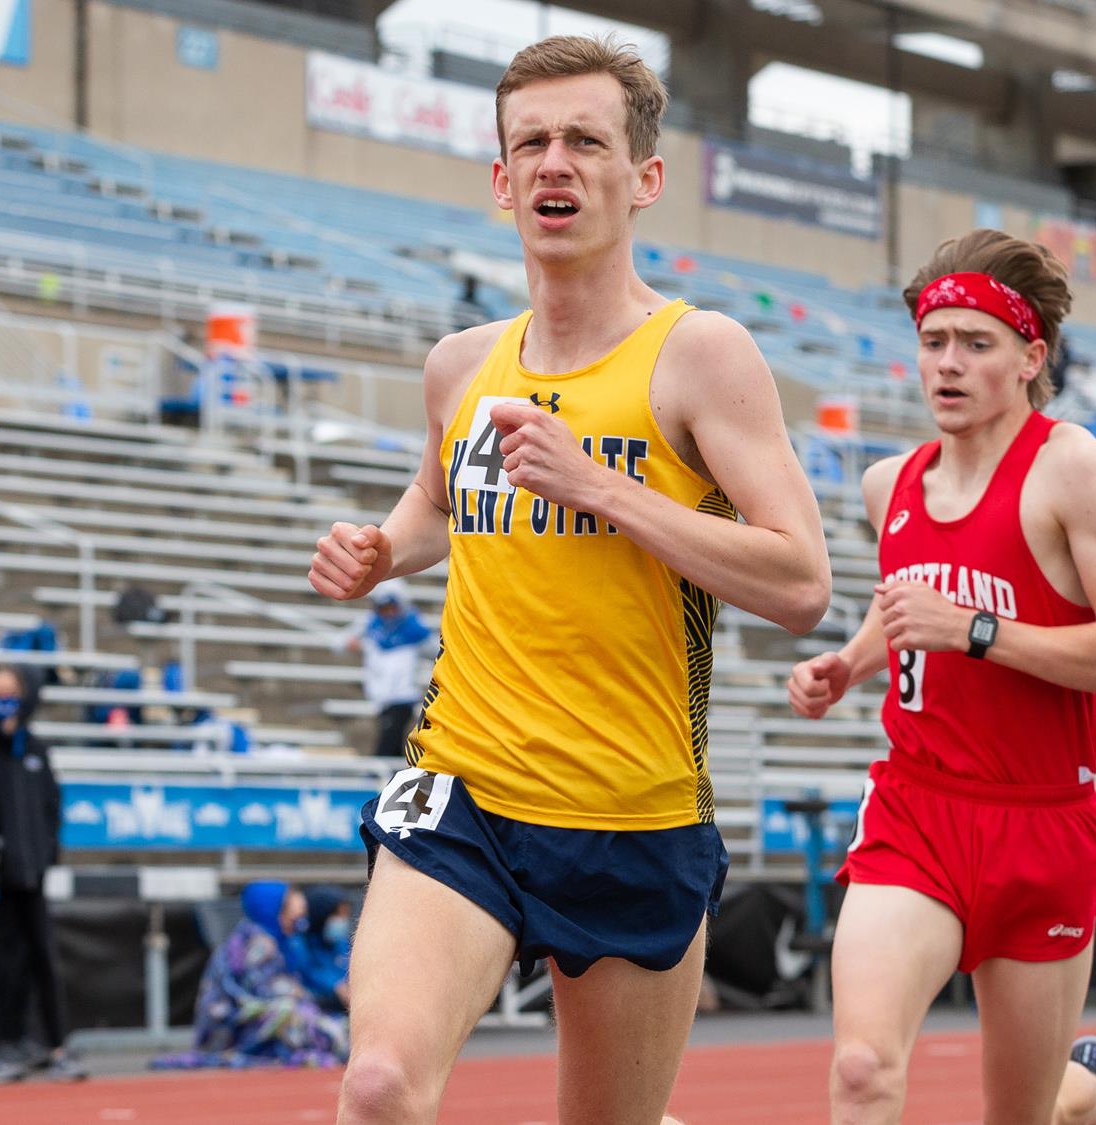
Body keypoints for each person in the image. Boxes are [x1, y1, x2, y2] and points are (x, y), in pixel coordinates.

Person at [306, 36, 830, 1124]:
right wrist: (377, 551)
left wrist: (610, 491)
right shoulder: (461, 365)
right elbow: (433, 509)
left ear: (642, 178)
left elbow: (799, 583)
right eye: (531, 143)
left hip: (630, 812)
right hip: (462, 791)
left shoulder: (699, 357)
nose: (555, 163)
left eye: (584, 141)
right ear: (500, 181)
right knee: (377, 1087)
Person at [786, 229, 1096, 1124]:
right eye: (933, 342)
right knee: (865, 1067)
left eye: (976, 345)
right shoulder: (890, 483)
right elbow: (910, 601)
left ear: (1032, 357)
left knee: (1021, 1113)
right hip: (919, 810)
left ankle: (1089, 1087)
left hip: (1043, 824)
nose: (946, 365)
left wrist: (980, 631)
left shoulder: (1078, 471)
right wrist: (851, 660)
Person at [0, 666, 86, 1080]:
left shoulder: (35, 749)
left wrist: (46, 855)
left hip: (33, 874)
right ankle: (3, 1043)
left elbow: (50, 807)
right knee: (1, 964)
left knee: (44, 959)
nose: (5, 700)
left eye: (12, 692)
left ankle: (55, 1043)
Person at [152, 882, 348, 1071]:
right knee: (300, 1016)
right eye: (288, 912)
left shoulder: (284, 941)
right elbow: (268, 992)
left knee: (322, 1021)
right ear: (273, 909)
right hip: (230, 1023)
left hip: (257, 1013)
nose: (296, 920)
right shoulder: (258, 942)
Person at [338, 581, 434, 758]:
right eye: (383, 608)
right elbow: (340, 643)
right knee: (394, 748)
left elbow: (437, 652)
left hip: (402, 697)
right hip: (381, 697)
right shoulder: (370, 626)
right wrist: (354, 645)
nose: (388, 613)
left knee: (386, 748)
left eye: (391, 607)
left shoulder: (413, 629)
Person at [297, 886, 354, 1011]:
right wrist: (335, 986)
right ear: (322, 915)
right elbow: (308, 973)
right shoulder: (300, 943)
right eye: (337, 915)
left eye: (345, 915)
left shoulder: (341, 942)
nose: (342, 921)